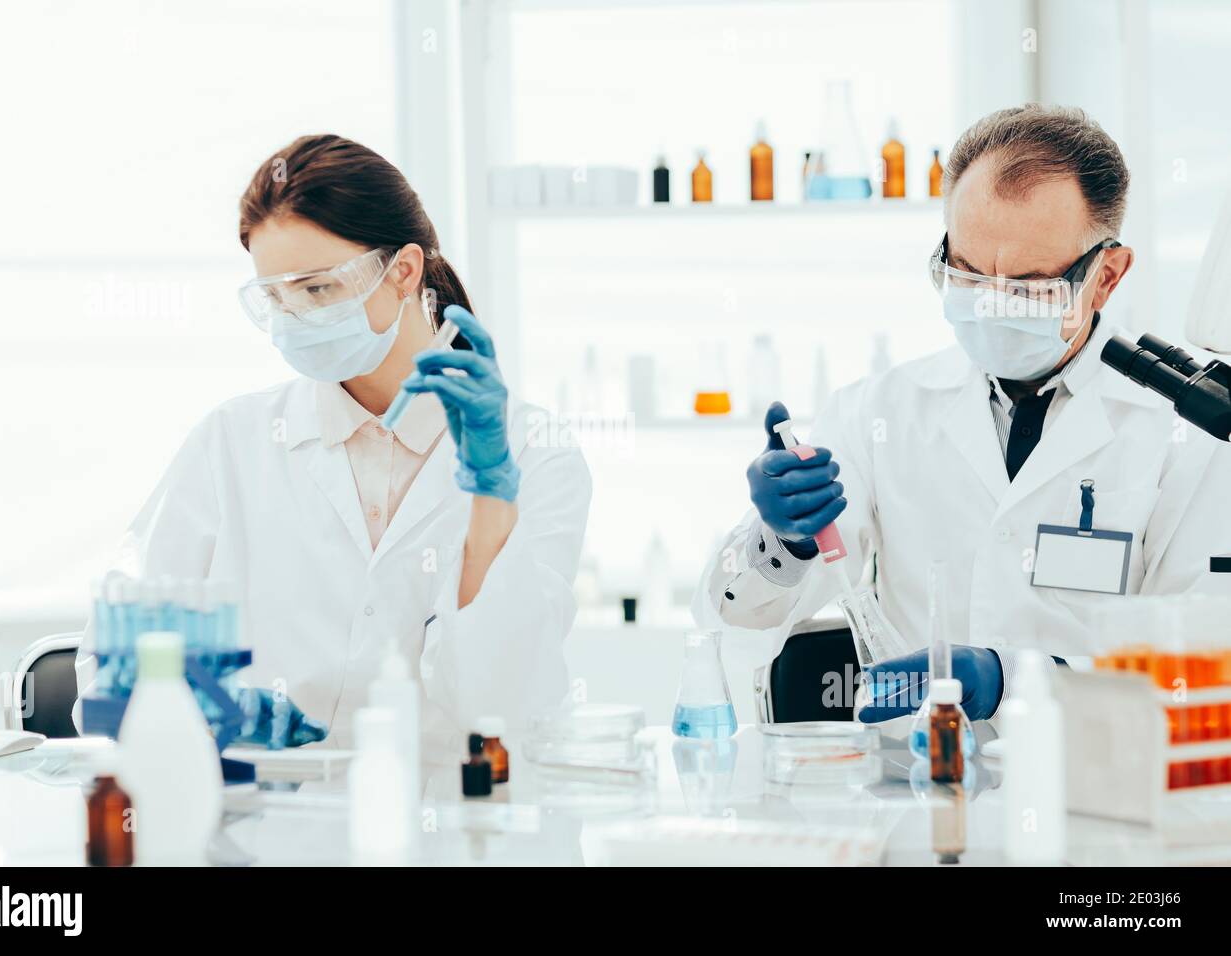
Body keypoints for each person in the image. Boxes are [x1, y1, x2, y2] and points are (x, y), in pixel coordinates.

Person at [692, 105, 1230, 724]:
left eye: (1028, 286)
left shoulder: (1185, 431)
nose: (991, 307)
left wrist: (1018, 683)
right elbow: (733, 614)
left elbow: (1198, 665)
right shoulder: (879, 411)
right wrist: (781, 539)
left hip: (1094, 785)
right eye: (968, 275)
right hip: (911, 783)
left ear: (1105, 277)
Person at [75, 134, 591, 753]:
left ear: (402, 271)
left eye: (316, 289)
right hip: (263, 827)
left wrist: (490, 498)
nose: (292, 319)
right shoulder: (232, 442)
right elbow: (108, 663)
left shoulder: (533, 454)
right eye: (275, 296)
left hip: (452, 833)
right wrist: (202, 713)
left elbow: (505, 705)